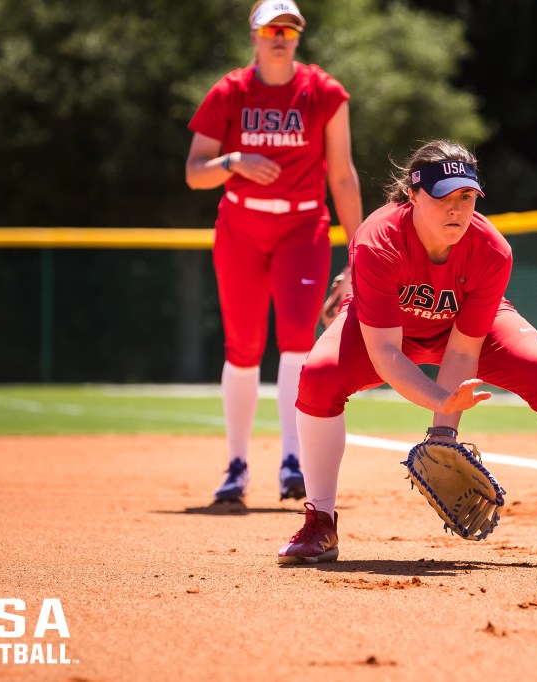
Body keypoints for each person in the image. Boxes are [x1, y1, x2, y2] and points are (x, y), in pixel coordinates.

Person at [277, 139, 537, 567]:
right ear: (413, 195)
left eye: (466, 197)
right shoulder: (378, 241)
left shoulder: (491, 250)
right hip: (388, 333)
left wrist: (443, 434)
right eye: (443, 198)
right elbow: (385, 352)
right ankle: (321, 521)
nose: (457, 209)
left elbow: (463, 349)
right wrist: (440, 399)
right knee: (318, 374)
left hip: (459, 329)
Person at [185, 0, 362, 505]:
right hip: (241, 225)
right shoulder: (232, 91)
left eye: (289, 27)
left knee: (295, 343)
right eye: (270, 27)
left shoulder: (323, 92)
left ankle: (292, 461)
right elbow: (195, 172)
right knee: (241, 346)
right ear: (254, 35)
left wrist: (358, 250)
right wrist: (235, 159)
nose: (279, 35)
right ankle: (237, 465)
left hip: (303, 226)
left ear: (298, 36)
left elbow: (343, 174)